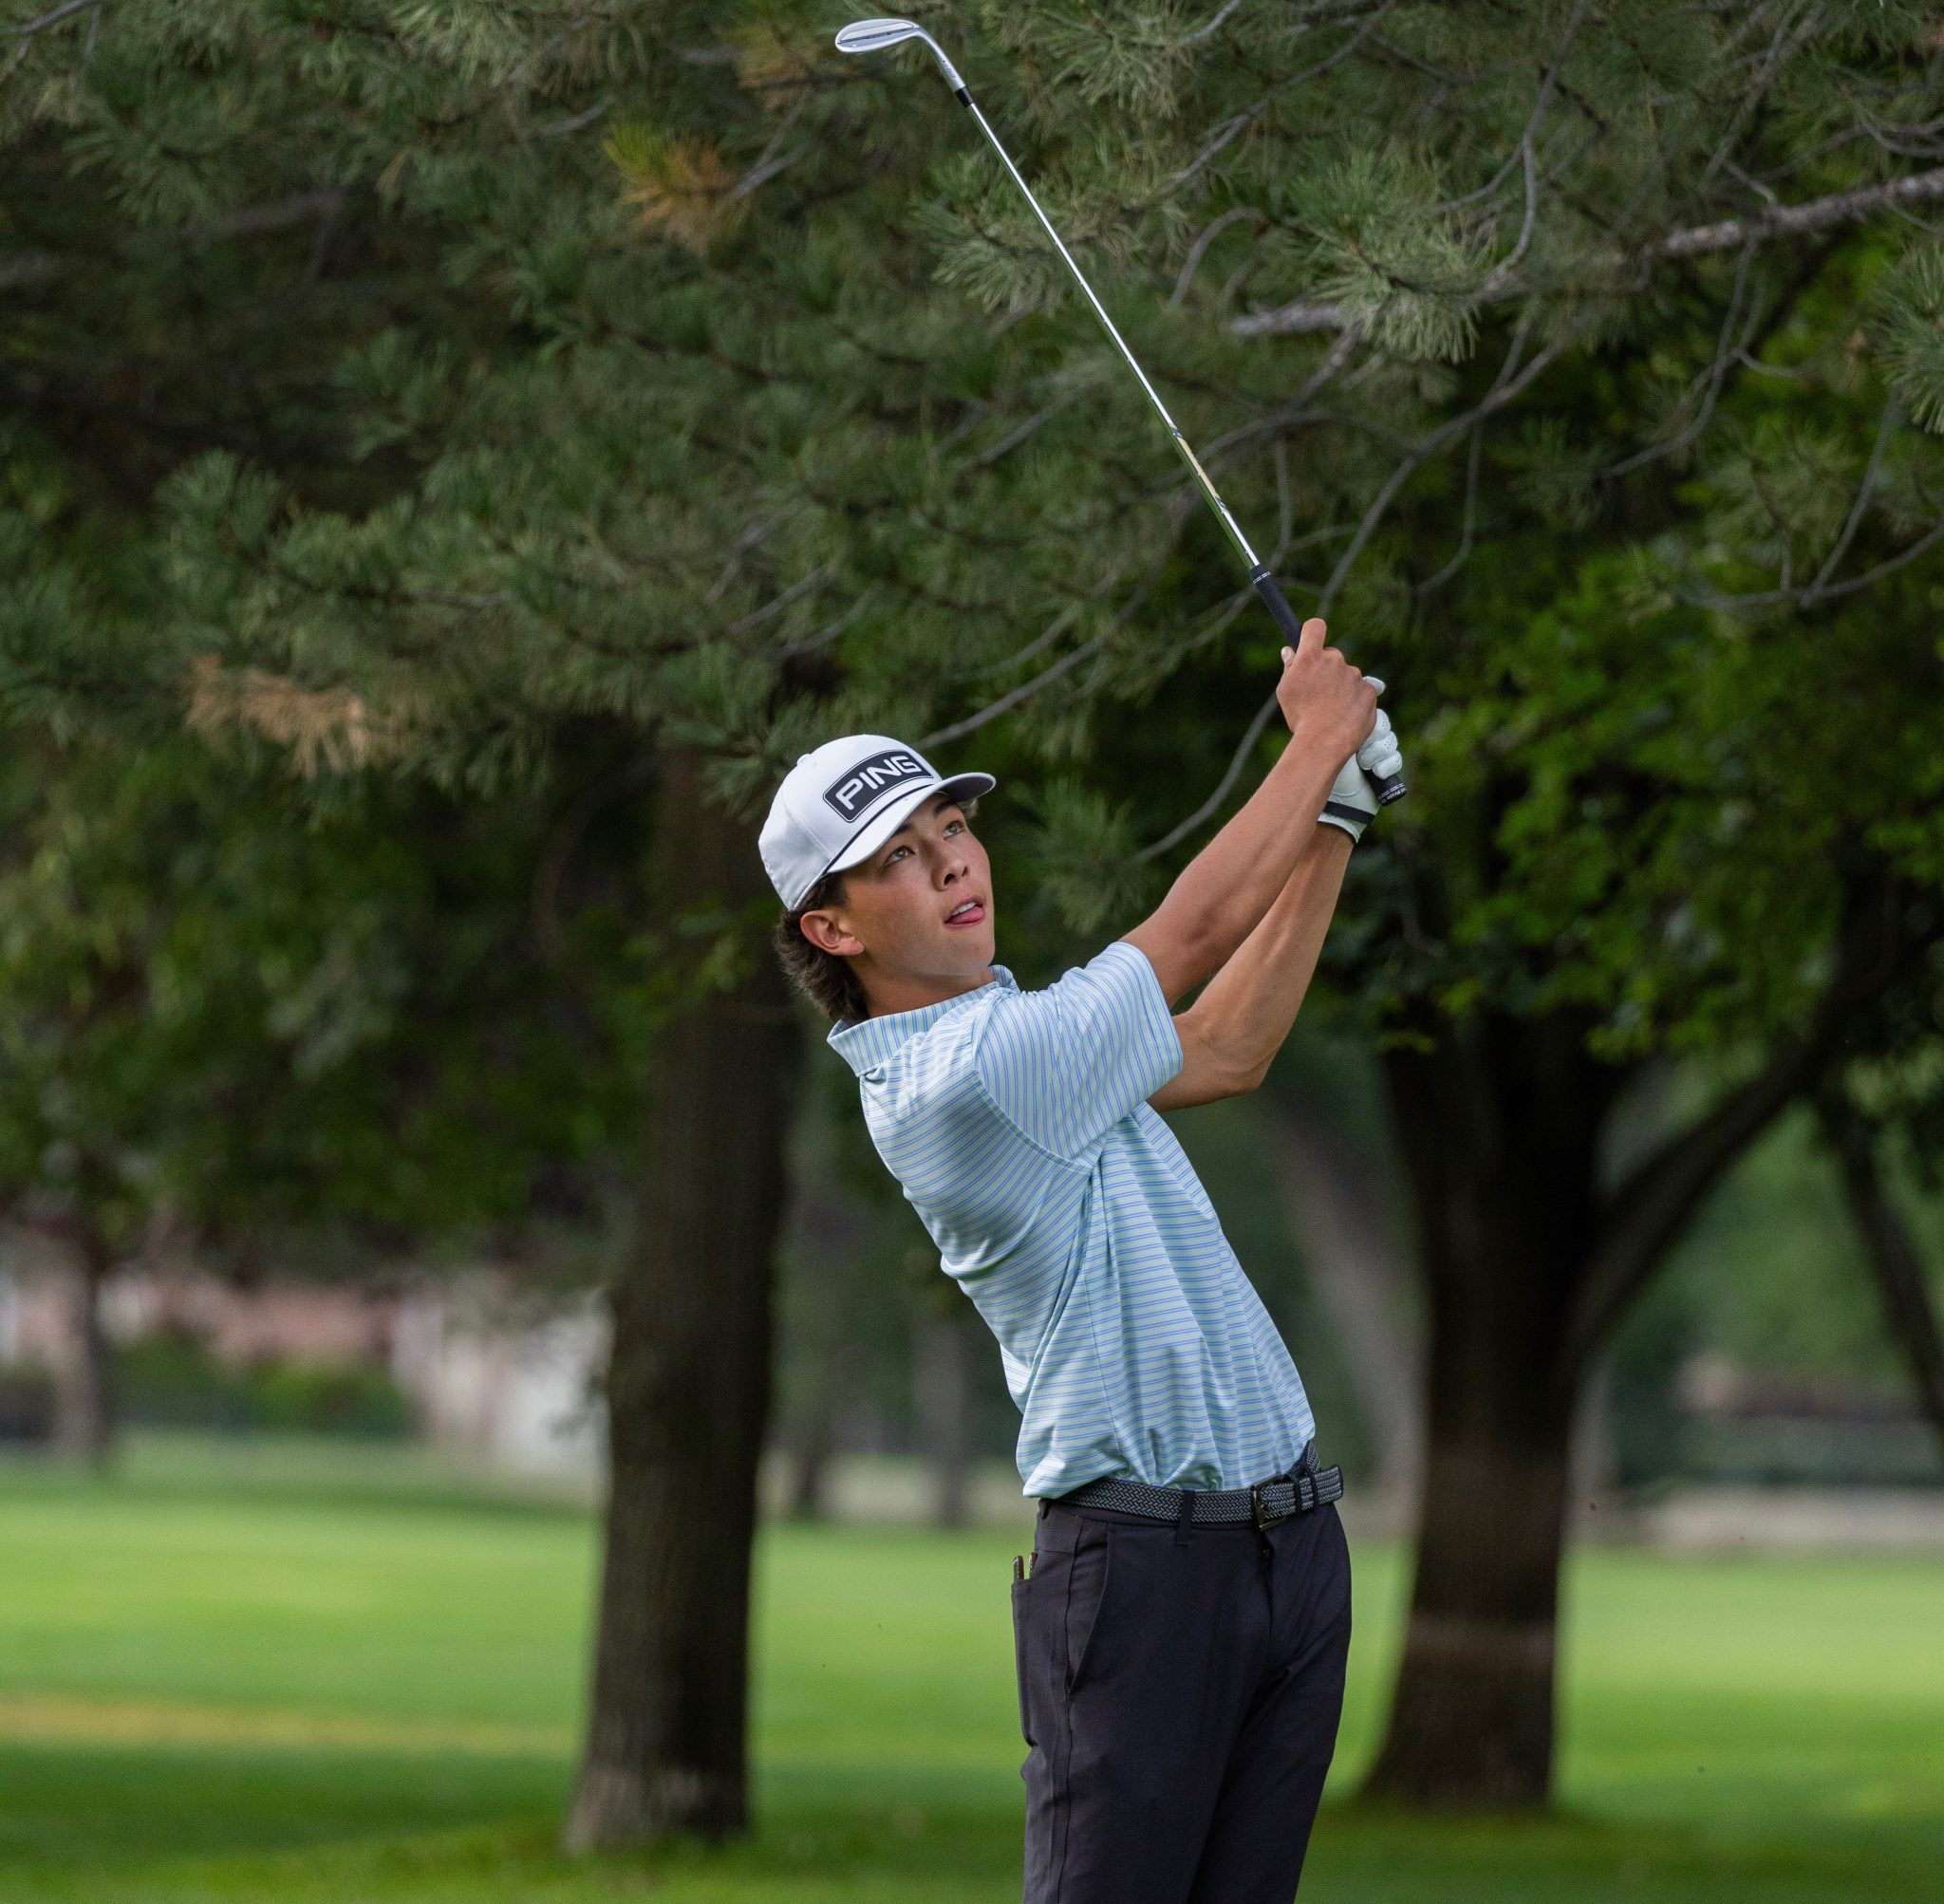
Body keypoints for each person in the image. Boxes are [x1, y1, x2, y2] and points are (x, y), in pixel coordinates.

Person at [757, 615, 1399, 1904]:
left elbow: (1225, 1044)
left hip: (1287, 1547)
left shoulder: (1031, 1036)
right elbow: (1194, 928)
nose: (952, 864)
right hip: (1141, 1575)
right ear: (834, 929)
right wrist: (1317, 739)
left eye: (952, 828)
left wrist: (1337, 815)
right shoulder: (968, 1080)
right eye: (900, 859)